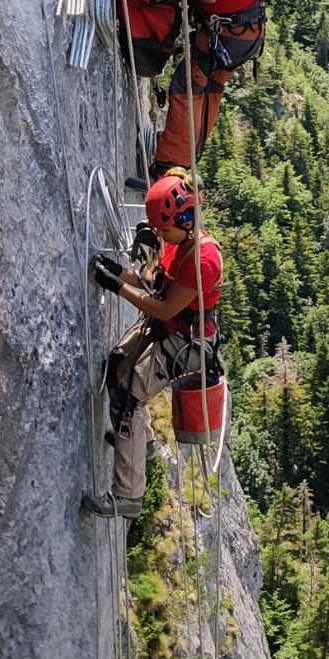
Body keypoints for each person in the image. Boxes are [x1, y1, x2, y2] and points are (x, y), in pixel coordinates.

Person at [83, 171, 223, 518]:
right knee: (118, 365)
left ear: (187, 222)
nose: (160, 235)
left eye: (164, 229)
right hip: (170, 328)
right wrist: (120, 272)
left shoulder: (203, 261)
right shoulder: (180, 242)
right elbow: (154, 281)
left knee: (130, 395)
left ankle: (128, 496)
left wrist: (116, 286)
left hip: (185, 341)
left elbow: (164, 306)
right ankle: (139, 446)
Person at [149, 0, 266, 179]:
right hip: (250, 32)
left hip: (228, 34)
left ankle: (169, 165)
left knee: (187, 84)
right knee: (210, 87)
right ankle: (188, 155)